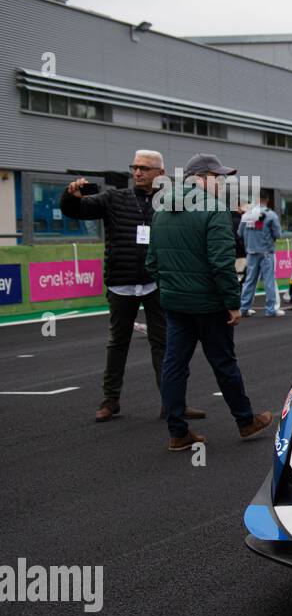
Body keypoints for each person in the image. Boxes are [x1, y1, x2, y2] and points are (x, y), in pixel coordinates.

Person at [61, 150, 204, 424]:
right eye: (135, 167)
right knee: (118, 343)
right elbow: (77, 209)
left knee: (163, 344)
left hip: (156, 282)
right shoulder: (114, 198)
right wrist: (70, 195)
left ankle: (172, 404)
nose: (137, 173)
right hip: (121, 282)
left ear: (160, 173)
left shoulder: (171, 202)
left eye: (144, 168)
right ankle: (110, 401)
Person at [146, 153, 272, 450]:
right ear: (201, 178)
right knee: (224, 363)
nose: (222, 183)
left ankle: (177, 432)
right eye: (218, 178)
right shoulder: (215, 210)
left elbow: (152, 262)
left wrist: (171, 289)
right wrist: (232, 303)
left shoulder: (161, 208)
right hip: (210, 305)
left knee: (174, 365)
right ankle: (245, 420)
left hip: (175, 303)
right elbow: (221, 263)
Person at [238, 188, 285, 317]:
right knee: (268, 281)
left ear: (256, 199)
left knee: (249, 281)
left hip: (251, 252)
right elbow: (278, 234)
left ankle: (243, 308)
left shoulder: (247, 215)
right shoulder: (271, 215)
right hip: (266, 252)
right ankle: (271, 309)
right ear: (267, 200)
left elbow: (240, 233)